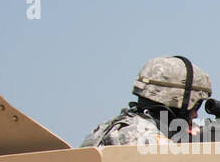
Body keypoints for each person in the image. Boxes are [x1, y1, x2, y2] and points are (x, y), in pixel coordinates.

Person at [82, 56, 212, 148]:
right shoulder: (145, 138)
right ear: (177, 100)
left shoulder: (110, 127)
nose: (195, 115)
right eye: (195, 106)